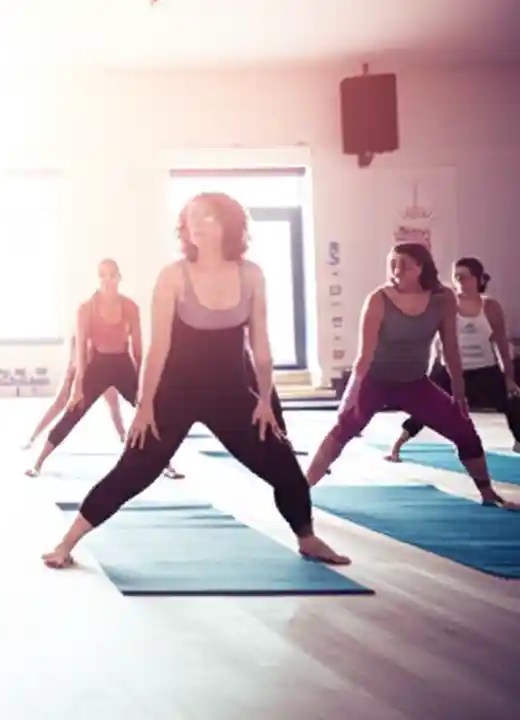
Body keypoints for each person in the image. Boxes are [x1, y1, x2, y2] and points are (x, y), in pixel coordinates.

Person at [42, 193, 349, 569]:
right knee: (133, 470)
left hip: (233, 393)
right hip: (175, 394)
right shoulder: (174, 276)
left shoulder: (250, 273)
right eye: (191, 218)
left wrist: (266, 400)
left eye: (209, 216)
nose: (199, 224)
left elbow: (261, 345)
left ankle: (308, 538)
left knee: (283, 465)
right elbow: (157, 349)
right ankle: (66, 542)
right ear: (184, 229)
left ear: (229, 224)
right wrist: (145, 405)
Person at [306, 244, 517, 509]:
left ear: (422, 266)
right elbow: (364, 356)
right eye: (393, 264)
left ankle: (488, 493)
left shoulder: (443, 298)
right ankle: (303, 487)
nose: (396, 271)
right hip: (375, 381)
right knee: (344, 429)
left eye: (404, 264)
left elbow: (450, 347)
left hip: (415, 384)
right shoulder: (378, 299)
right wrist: (349, 397)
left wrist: (459, 391)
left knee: (464, 430)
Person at [26, 259, 182, 479]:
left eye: (112, 275)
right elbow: (81, 348)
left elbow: (138, 351)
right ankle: (38, 463)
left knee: (150, 413)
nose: (108, 280)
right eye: (103, 276)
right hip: (97, 366)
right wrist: (78, 387)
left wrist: (145, 388)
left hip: (123, 364)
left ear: (119, 278)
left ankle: (166, 464)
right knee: (73, 413)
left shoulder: (130, 307)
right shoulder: (86, 309)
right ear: (98, 279)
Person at [386, 257, 520, 460]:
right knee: (425, 407)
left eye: (464, 277)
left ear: (478, 279)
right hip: (451, 371)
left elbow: (501, 344)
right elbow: (436, 344)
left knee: (513, 401)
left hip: (484, 370)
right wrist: (429, 376)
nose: (459, 282)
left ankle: (519, 441)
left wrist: (509, 379)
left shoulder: (490, 307)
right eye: (456, 277)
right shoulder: (445, 303)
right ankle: (397, 445)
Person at [23, 337, 126, 450]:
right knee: (59, 404)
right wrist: (70, 373)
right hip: (79, 372)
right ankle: (32, 438)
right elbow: (75, 354)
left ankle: (124, 438)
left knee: (114, 407)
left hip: (99, 372)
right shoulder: (80, 334)